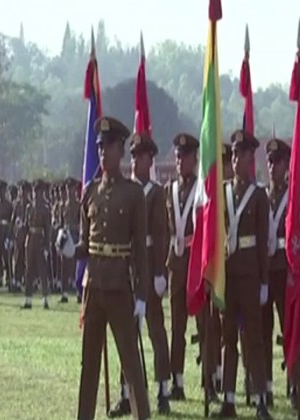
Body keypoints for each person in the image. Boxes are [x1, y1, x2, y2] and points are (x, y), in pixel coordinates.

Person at [65, 116, 150, 420]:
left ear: (121, 151)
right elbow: (86, 245)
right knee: (88, 365)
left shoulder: (133, 193)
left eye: (109, 147)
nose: (103, 153)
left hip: (119, 288)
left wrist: (142, 296)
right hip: (94, 287)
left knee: (130, 363)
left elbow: (140, 249)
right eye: (99, 148)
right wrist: (69, 249)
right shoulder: (90, 192)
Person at [108, 133, 172, 417]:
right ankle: (126, 392)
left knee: (156, 331)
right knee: (126, 332)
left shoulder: (156, 193)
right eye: (132, 156)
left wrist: (160, 271)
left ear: (150, 160)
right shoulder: (126, 190)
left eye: (140, 156)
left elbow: (160, 235)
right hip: (127, 268)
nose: (135, 161)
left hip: (148, 267)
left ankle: (162, 389)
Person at [216, 130, 272, 420]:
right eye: (234, 154)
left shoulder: (259, 195)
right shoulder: (223, 191)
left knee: (254, 340)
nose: (236, 159)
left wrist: (264, 280)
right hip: (229, 275)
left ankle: (261, 397)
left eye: (242, 154)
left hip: (250, 275)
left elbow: (264, 242)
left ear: (251, 159)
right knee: (228, 340)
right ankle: (228, 399)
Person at [165, 132, 199, 401]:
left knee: (205, 326)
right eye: (177, 156)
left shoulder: (202, 189)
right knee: (177, 328)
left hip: (196, 265)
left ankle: (211, 377)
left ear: (194, 159)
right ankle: (177, 380)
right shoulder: (170, 190)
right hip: (176, 265)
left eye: (184, 157)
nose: (180, 161)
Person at [261, 138, 290, 407]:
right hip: (265, 271)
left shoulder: (291, 196)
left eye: (277, 162)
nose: (272, 167)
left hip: (285, 269)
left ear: (286, 165)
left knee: (289, 329)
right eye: (269, 162)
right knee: (263, 331)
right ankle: (266, 386)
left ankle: (295, 382)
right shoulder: (262, 195)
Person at [22, 180, 52, 309]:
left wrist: (47, 246)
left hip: (40, 239)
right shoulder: (29, 207)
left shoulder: (45, 209)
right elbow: (25, 225)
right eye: (34, 192)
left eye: (38, 192)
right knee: (29, 270)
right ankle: (28, 299)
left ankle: (45, 299)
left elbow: (48, 229)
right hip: (30, 240)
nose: (36, 195)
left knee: (42, 270)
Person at [58, 178, 81, 304]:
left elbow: (81, 222)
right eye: (67, 189)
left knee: (75, 266)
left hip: (75, 235)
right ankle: (64, 293)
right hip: (66, 235)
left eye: (71, 189)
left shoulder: (79, 204)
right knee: (64, 266)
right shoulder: (62, 205)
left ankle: (78, 292)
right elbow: (61, 222)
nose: (69, 192)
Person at [12, 181, 31, 293]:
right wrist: (10, 235)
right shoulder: (16, 204)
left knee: (28, 260)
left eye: (24, 191)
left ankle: (28, 280)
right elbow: (12, 219)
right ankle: (17, 281)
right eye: (21, 191)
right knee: (18, 258)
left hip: (28, 235)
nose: (22, 193)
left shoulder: (30, 204)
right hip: (18, 235)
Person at [0, 180, 13, 292]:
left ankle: (10, 279)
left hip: (6, 232)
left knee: (7, 259)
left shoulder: (9, 205)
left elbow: (11, 222)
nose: (0, 193)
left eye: (2, 190)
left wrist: (9, 237)